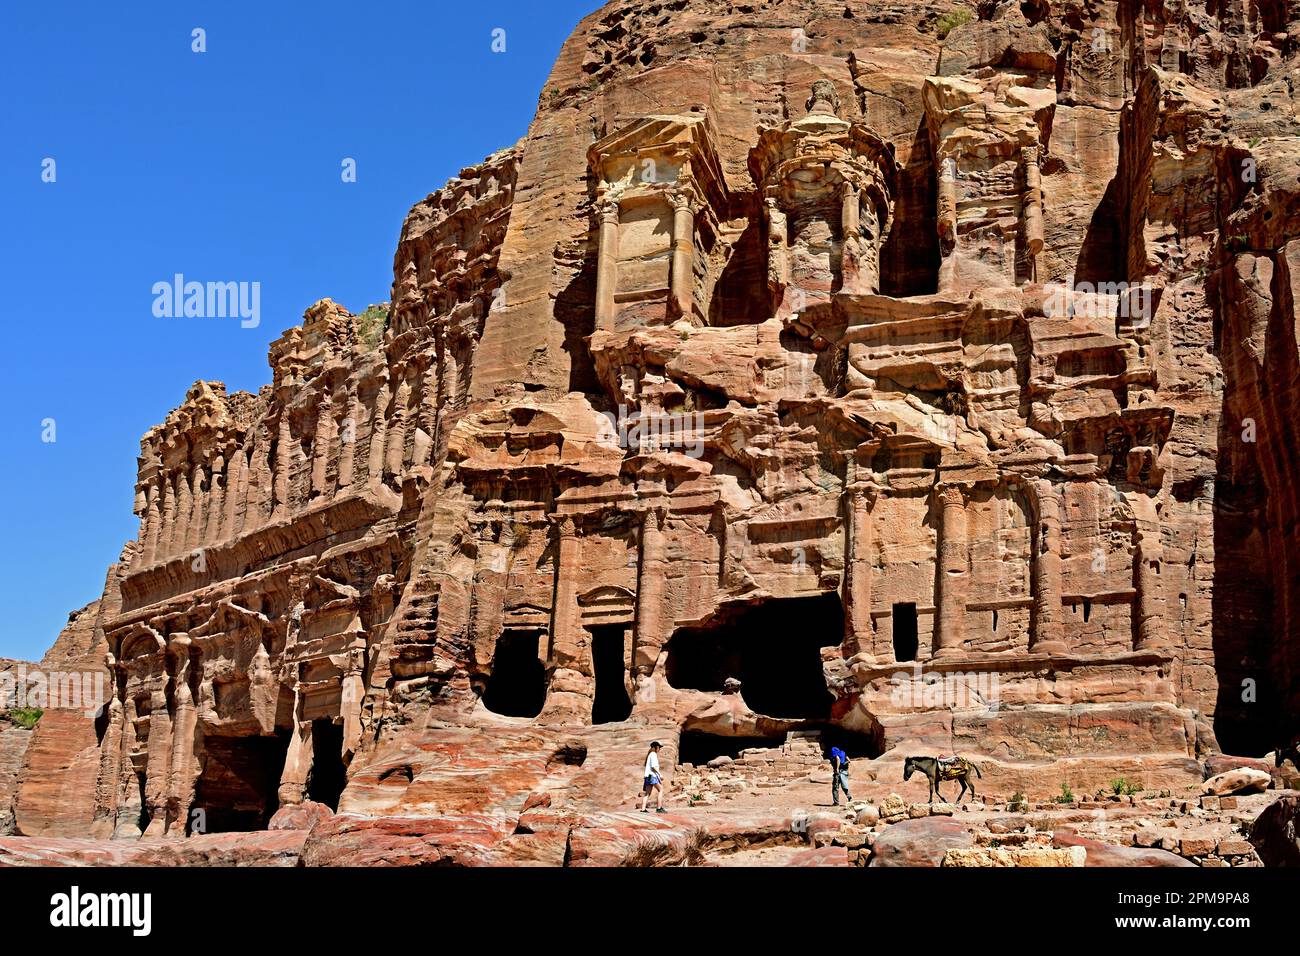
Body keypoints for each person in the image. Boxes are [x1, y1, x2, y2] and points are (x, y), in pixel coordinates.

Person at [640, 741, 666, 813]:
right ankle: (659, 808)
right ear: (656, 747)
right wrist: (660, 774)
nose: (659, 749)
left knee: (647, 793)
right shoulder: (653, 754)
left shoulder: (649, 755)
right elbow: (654, 767)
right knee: (660, 789)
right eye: (659, 747)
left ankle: (643, 809)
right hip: (652, 775)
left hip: (647, 776)